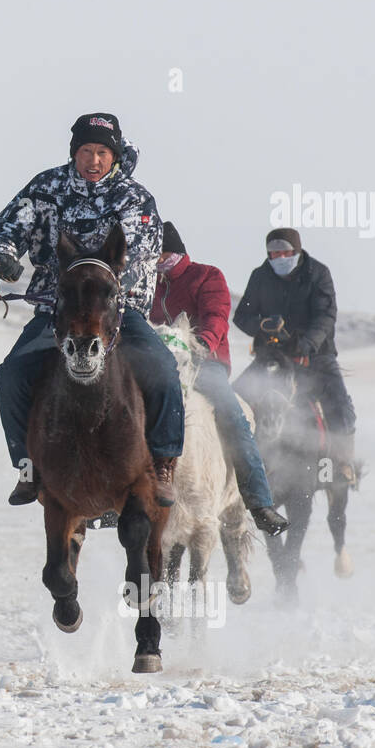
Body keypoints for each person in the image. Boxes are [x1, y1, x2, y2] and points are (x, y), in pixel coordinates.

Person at [0, 113, 184, 507]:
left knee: (163, 370)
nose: (93, 161)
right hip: (54, 311)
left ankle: (162, 462)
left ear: (115, 156)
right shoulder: (46, 188)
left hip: (118, 313)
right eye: (86, 151)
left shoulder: (135, 198)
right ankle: (27, 464)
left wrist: (104, 293)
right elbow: (5, 228)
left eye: (102, 152)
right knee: (10, 377)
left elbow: (141, 254)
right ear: (74, 152)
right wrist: (4, 256)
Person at [149, 222, 289, 534]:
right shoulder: (147, 283)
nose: (156, 259)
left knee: (232, 414)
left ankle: (259, 502)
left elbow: (216, 315)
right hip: (157, 365)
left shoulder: (206, 276)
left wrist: (203, 345)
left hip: (203, 363)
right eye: (151, 254)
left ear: (174, 251)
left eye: (160, 253)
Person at [232, 228, 357, 484]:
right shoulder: (260, 276)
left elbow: (326, 315)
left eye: (284, 252)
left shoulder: (318, 273)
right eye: (273, 253)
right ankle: (234, 460)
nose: (279, 257)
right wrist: (262, 325)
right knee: (232, 399)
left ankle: (343, 462)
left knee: (340, 407)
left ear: (297, 250)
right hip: (271, 358)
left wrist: (307, 343)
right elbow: (241, 316)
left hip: (314, 356)